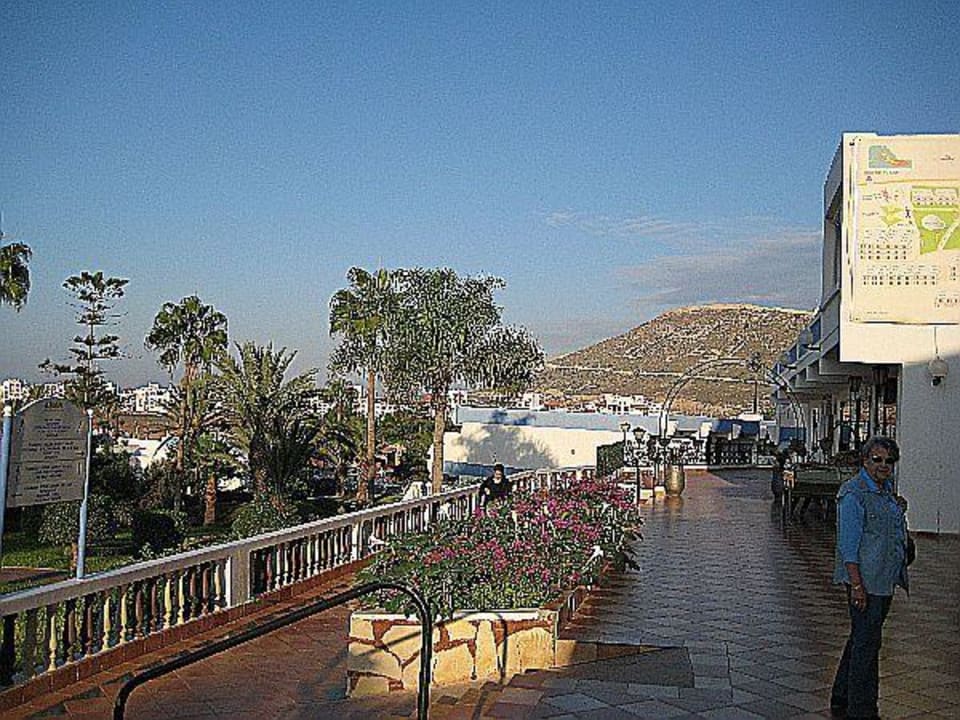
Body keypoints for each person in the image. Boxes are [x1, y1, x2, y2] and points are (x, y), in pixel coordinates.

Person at [830, 436, 909, 719]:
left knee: (861, 639)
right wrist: (857, 586)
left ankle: (841, 695)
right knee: (867, 644)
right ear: (865, 460)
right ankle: (862, 709)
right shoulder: (854, 494)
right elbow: (848, 546)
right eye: (877, 459)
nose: (883, 465)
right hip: (865, 581)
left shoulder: (885, 492)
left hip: (883, 580)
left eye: (889, 461)